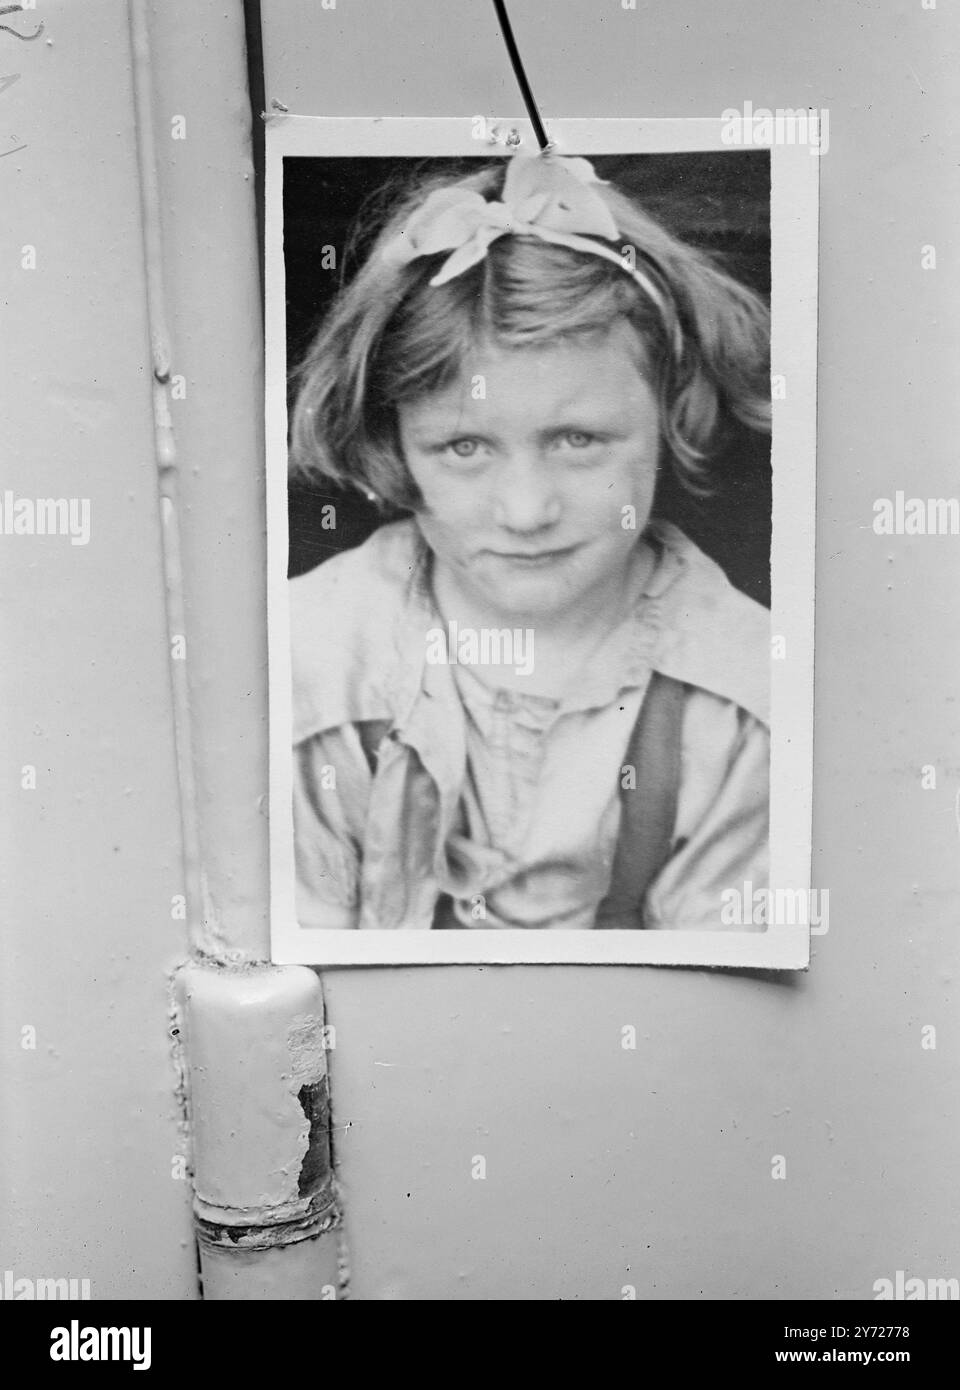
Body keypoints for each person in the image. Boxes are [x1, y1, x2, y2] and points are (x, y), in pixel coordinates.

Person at [287, 151, 770, 930]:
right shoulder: (307, 666)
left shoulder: (744, 699)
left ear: (673, 414)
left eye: (578, 440)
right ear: (393, 443)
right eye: (466, 448)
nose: (525, 510)